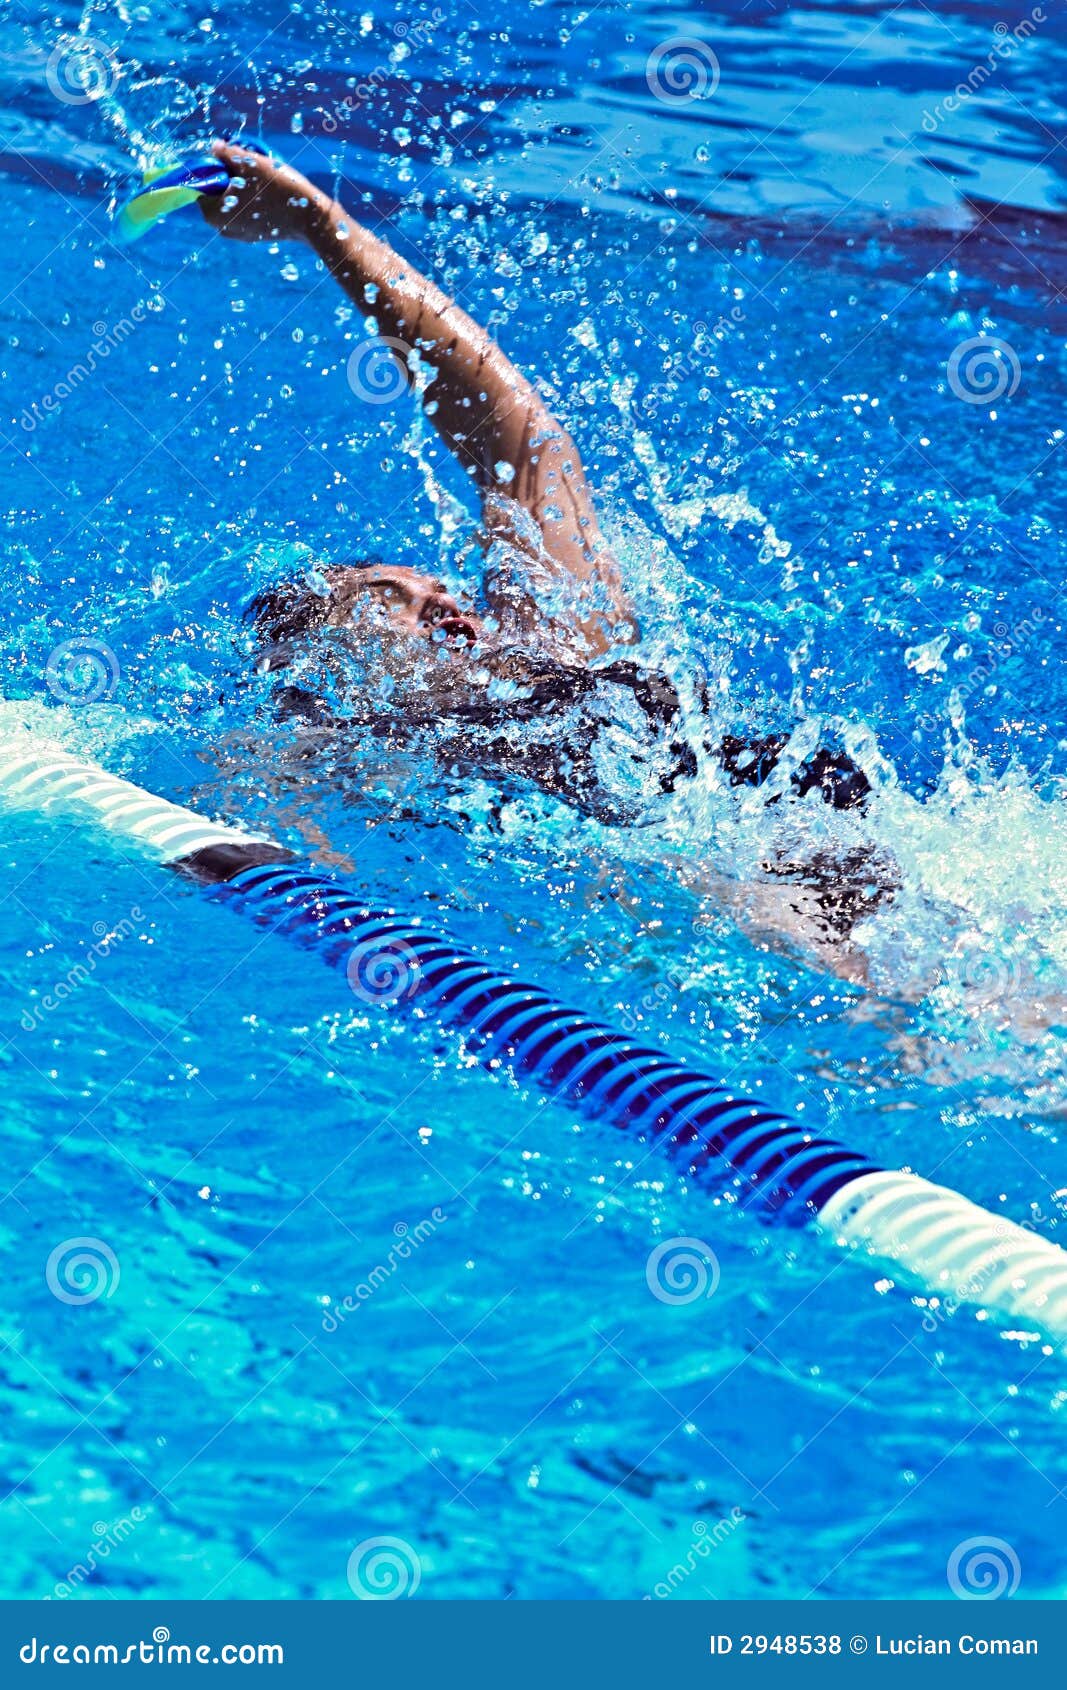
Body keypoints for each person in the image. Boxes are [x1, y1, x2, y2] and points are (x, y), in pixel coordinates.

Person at [199, 141, 888, 965]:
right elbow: (267, 818)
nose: (444, 601)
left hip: (850, 837)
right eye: (386, 601)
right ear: (322, 667)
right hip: (744, 906)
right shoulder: (350, 746)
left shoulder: (554, 644)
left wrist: (322, 224)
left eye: (437, 586)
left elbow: (519, 439)